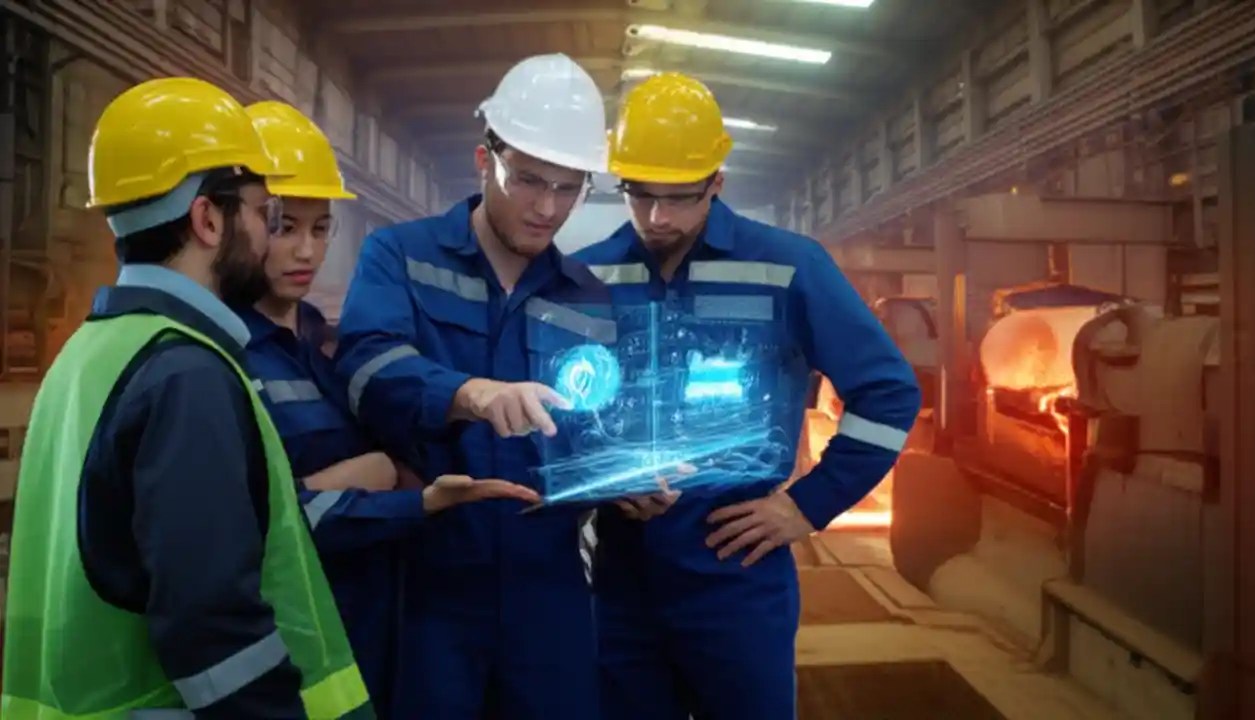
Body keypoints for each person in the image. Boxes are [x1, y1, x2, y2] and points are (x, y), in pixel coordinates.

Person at [0, 78, 372, 718]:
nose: (269, 234)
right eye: (263, 214)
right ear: (208, 219)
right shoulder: (186, 375)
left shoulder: (89, 354)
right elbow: (215, 635)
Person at [573, 72, 923, 720]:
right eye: (639, 195)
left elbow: (889, 394)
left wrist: (807, 506)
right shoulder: (587, 275)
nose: (657, 218)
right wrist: (600, 473)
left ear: (717, 183)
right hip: (619, 581)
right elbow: (563, 407)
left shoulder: (788, 267)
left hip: (737, 571)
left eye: (679, 198)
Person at [333, 54, 623, 719]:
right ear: (482, 157)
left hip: (547, 589)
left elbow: (595, 426)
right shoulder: (401, 257)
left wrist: (629, 475)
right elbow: (364, 370)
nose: (548, 207)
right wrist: (470, 393)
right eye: (527, 179)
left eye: (569, 186)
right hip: (431, 585)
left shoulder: (588, 298)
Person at [231, 100, 542, 718]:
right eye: (284, 226)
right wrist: (398, 490)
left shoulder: (319, 343)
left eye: (320, 229)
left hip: (370, 630)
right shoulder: (228, 357)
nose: (305, 251)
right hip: (290, 646)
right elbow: (252, 525)